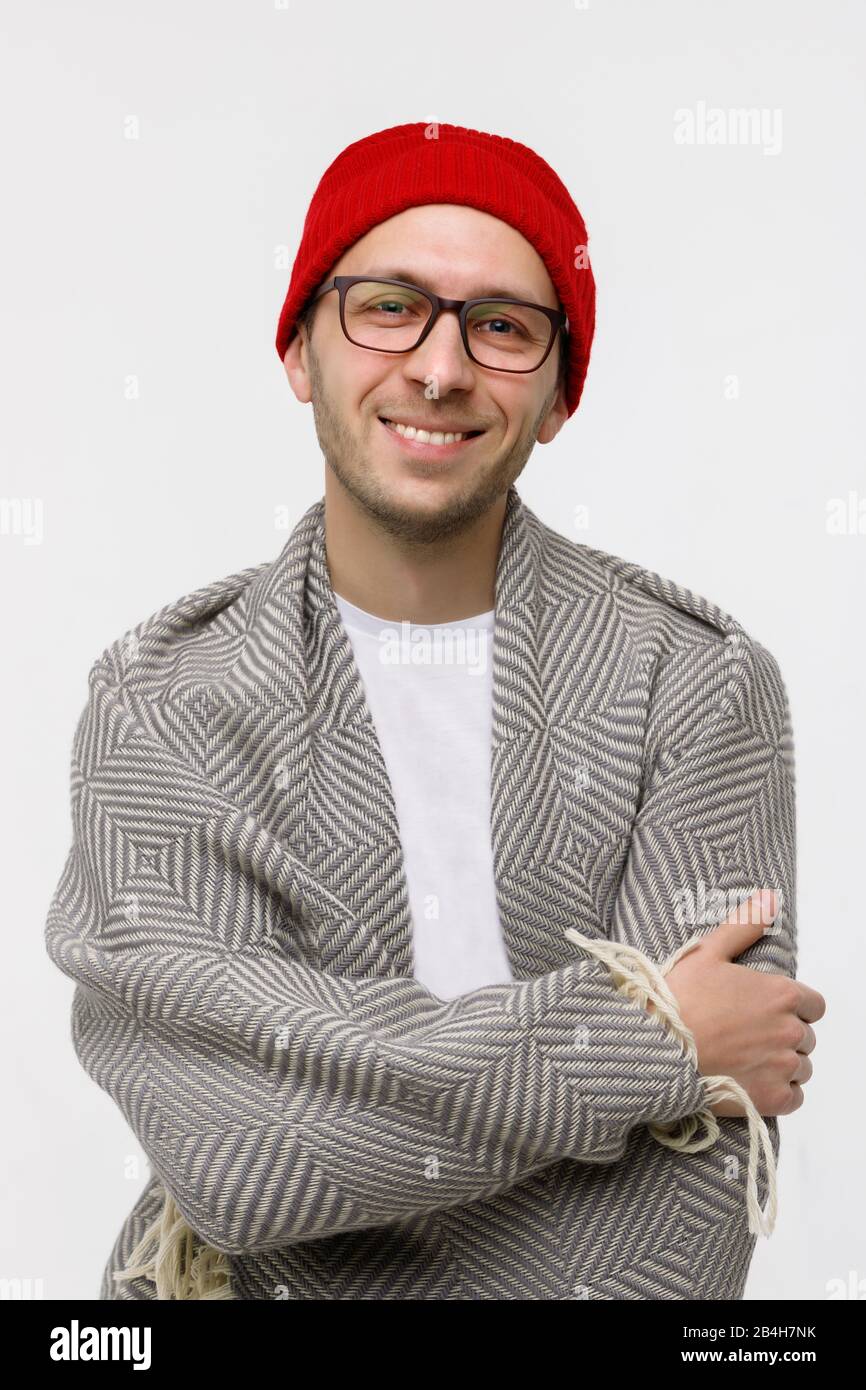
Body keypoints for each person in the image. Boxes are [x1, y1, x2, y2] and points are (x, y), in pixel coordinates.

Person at [45, 121, 825, 1301]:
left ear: (559, 393)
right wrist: (649, 1040)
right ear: (300, 350)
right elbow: (234, 1161)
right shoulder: (166, 699)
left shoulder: (694, 685)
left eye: (502, 326)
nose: (439, 368)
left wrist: (359, 1084)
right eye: (388, 306)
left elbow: (691, 1179)